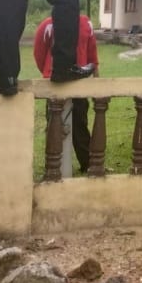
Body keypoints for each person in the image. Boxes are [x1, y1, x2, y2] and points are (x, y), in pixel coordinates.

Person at [34, 15, 99, 173]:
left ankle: (88, 163)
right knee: (54, 125)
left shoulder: (86, 24)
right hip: (55, 82)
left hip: (79, 82)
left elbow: (92, 52)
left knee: (80, 123)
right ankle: (53, 166)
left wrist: (97, 77)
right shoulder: (48, 25)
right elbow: (39, 53)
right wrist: (48, 72)